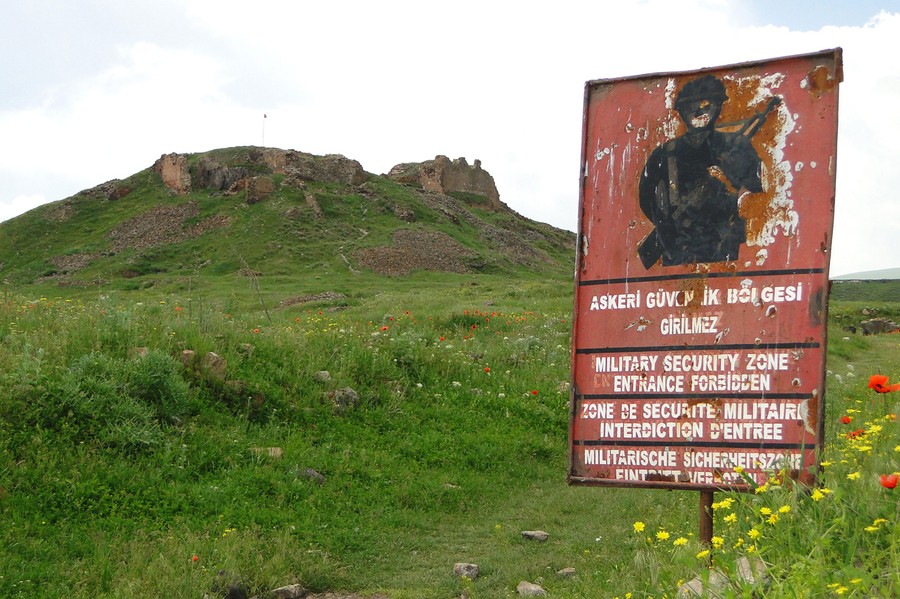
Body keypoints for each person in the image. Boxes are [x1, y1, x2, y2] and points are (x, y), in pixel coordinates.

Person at [638, 75, 767, 268]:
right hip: (677, 245)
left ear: (718, 107)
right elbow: (646, 196)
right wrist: (667, 228)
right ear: (681, 112)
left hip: (723, 243)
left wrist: (728, 183)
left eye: (706, 105)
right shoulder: (666, 153)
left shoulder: (736, 146)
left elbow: (755, 192)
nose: (698, 112)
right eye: (691, 107)